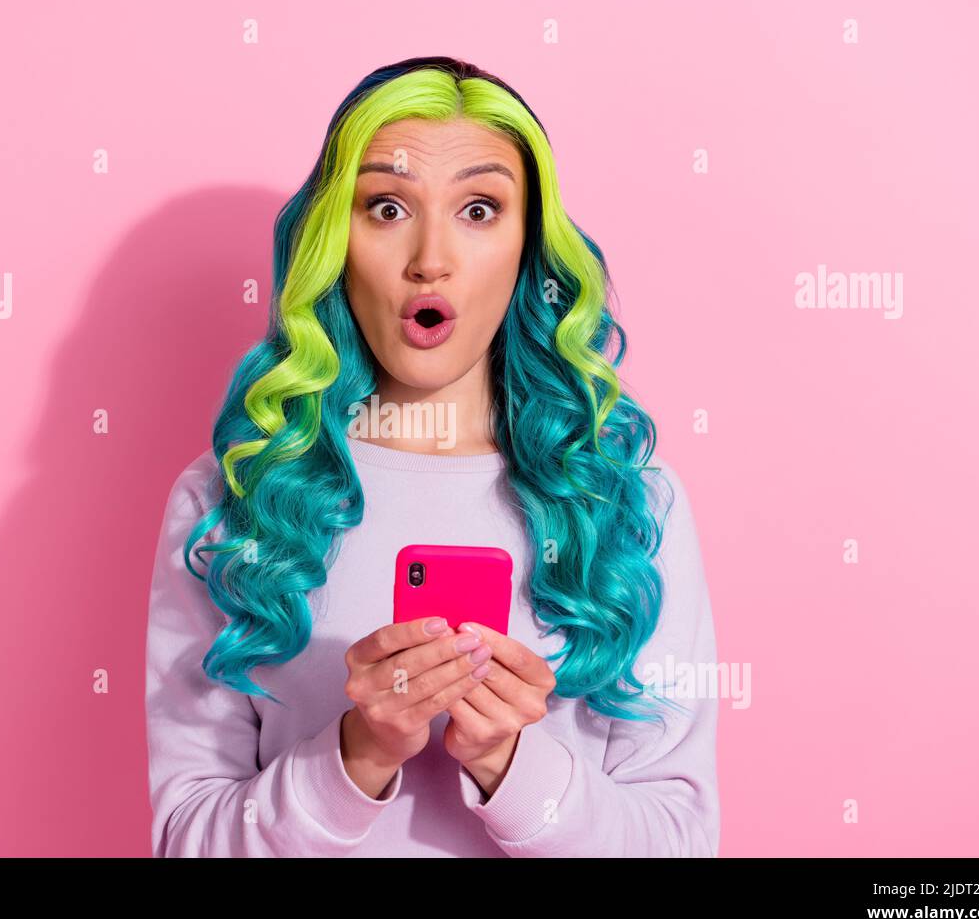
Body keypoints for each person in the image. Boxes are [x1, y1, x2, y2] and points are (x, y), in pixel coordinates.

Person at [145, 56, 720, 857]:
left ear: (529, 251)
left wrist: (509, 764)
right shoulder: (234, 499)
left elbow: (680, 845)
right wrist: (360, 752)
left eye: (480, 209)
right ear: (334, 243)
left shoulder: (628, 502)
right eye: (386, 206)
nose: (431, 258)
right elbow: (188, 844)